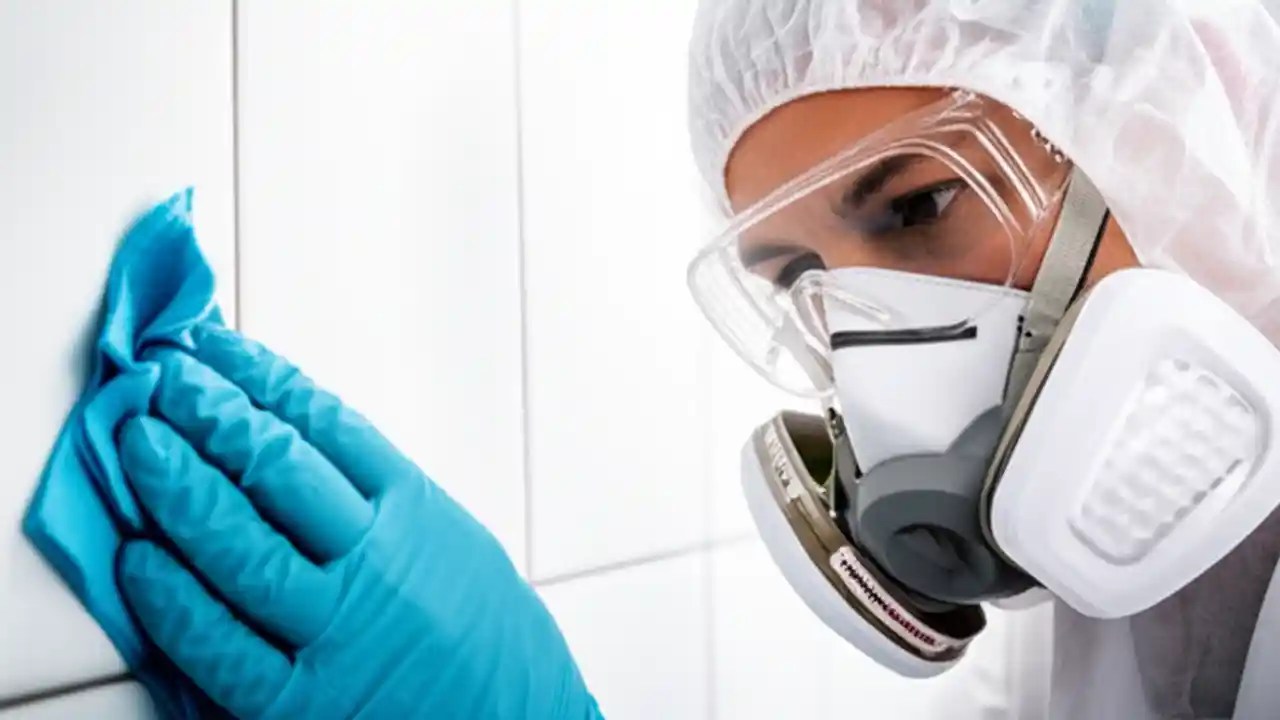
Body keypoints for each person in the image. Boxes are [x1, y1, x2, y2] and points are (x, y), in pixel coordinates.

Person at [114, 0, 1279, 718]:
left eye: (922, 206)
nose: (874, 360)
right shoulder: (1087, 634)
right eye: (797, 281)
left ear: (1190, 122)